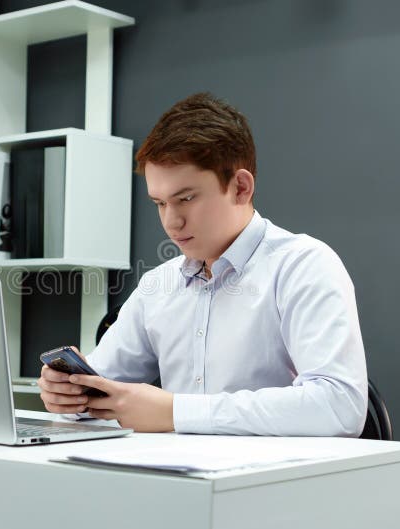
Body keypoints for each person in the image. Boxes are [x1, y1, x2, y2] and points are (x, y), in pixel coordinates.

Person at [38, 93, 368, 437]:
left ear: (240, 187)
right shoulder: (158, 285)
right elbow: (100, 389)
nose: (171, 222)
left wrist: (176, 412)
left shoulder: (303, 266)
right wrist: (70, 395)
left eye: (186, 199)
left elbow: (340, 407)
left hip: (272, 482)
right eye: (160, 203)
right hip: (176, 478)